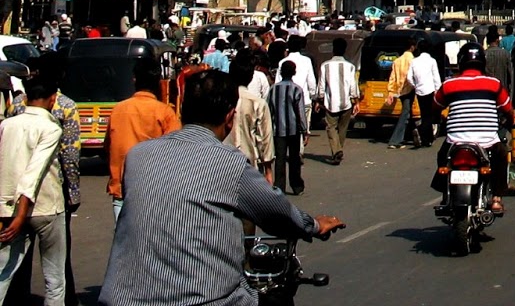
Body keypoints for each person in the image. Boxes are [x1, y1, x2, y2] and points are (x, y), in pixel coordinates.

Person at [100, 69, 342, 306]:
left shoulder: (137, 156)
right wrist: (314, 225)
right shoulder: (229, 162)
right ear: (229, 118)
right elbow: (277, 213)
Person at [0, 67, 65, 306]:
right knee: (54, 278)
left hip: (9, 207)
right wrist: (22, 212)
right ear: (52, 99)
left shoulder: (8, 125)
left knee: (3, 272)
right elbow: (34, 173)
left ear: (26, 97)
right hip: (45, 207)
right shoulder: (51, 128)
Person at [436, 46, 513, 216]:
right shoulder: (494, 84)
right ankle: (496, 199)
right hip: (488, 142)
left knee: (442, 157)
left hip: (455, 142)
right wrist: (511, 122)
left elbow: (436, 105)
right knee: (501, 153)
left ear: (461, 62)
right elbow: (508, 109)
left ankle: (445, 195)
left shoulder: (449, 84)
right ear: (482, 62)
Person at [105, 56, 179, 222]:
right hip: (153, 193)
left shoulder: (118, 110)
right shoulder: (165, 113)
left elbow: (108, 147)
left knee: (123, 243)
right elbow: (176, 154)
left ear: (134, 79)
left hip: (121, 192)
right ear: (158, 81)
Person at [228, 56, 272, 184]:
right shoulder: (258, 103)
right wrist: (268, 170)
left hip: (223, 161)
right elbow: (265, 138)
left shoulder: (221, 101)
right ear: (251, 77)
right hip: (249, 161)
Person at [267, 60, 308, 195]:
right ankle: (296, 186)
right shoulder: (297, 89)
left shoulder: (273, 89)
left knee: (280, 158)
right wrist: (304, 131)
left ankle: (279, 187)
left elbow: (269, 110)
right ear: (294, 72)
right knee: (294, 158)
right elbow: (301, 113)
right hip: (293, 129)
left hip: (277, 130)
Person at [316, 37, 358, 165]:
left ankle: (336, 150)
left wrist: (319, 100)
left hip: (331, 103)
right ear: (345, 50)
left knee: (331, 127)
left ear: (333, 49)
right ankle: (338, 149)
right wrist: (356, 101)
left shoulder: (325, 66)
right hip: (347, 103)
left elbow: (321, 86)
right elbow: (353, 86)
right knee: (343, 128)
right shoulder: (350, 66)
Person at [407, 39, 443, 147]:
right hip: (430, 90)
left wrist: (415, 85)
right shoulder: (432, 61)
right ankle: (424, 135)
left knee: (423, 113)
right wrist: (438, 90)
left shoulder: (414, 61)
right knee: (429, 115)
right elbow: (436, 77)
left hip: (419, 91)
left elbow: (409, 77)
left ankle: (426, 138)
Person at [386, 37, 417, 149]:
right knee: (405, 114)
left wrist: (391, 91)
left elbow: (392, 78)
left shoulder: (397, 60)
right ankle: (395, 140)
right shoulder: (413, 60)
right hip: (410, 89)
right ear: (413, 47)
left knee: (408, 112)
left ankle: (415, 135)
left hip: (400, 90)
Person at [481, 26, 512, 92]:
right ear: (497, 40)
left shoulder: (482, 54)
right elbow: (510, 73)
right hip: (502, 89)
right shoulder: (505, 54)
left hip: (487, 89)